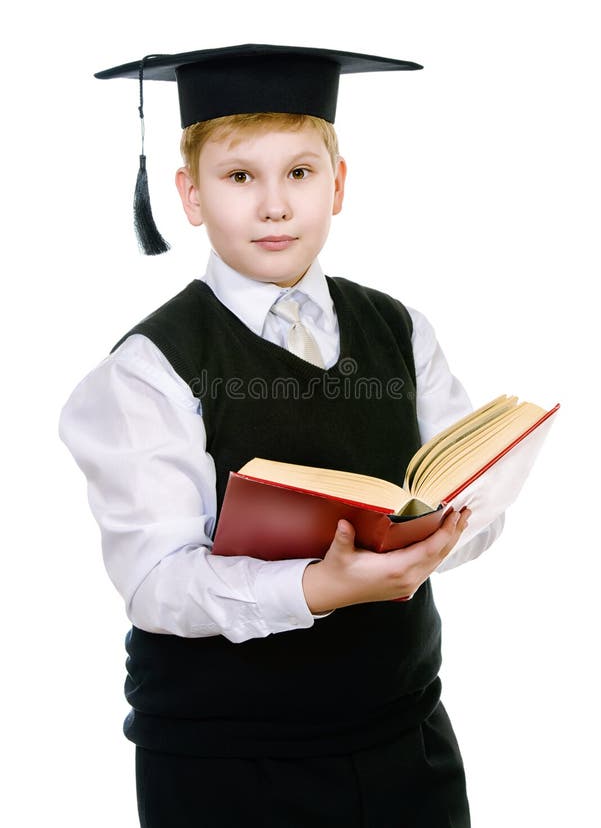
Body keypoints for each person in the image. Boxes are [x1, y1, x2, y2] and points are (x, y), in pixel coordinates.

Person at [59, 44, 504, 828]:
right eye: (239, 177)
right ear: (191, 195)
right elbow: (157, 584)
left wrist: (449, 536)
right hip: (228, 766)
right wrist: (317, 589)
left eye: (299, 173)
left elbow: (467, 489)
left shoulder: (399, 329)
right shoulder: (146, 372)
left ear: (338, 183)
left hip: (405, 740)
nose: (274, 205)